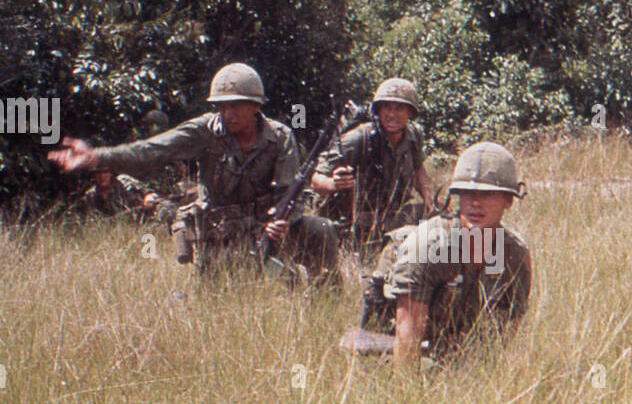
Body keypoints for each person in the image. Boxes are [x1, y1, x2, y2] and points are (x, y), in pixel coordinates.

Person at [48, 63, 337, 281]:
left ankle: (325, 305)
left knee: (320, 229)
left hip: (266, 226)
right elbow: (152, 150)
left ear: (256, 106)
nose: (228, 113)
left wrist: (283, 222)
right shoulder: (203, 131)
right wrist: (96, 157)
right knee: (224, 296)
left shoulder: (281, 136)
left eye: (236, 105)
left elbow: (291, 192)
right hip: (221, 230)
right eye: (222, 106)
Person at [354, 142, 531, 372]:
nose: (475, 203)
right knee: (433, 370)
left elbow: (507, 331)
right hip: (393, 351)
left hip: (453, 354)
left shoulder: (512, 253)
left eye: (487, 194)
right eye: (466, 193)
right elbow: (407, 336)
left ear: (509, 200)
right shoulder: (430, 246)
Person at [312, 78, 435, 260]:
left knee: (435, 224)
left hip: (390, 215)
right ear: (378, 110)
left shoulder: (413, 135)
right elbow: (316, 179)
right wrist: (332, 183)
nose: (392, 114)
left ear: (410, 112)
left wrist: (429, 197)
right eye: (387, 107)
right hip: (354, 224)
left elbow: (418, 168)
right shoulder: (357, 139)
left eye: (399, 108)